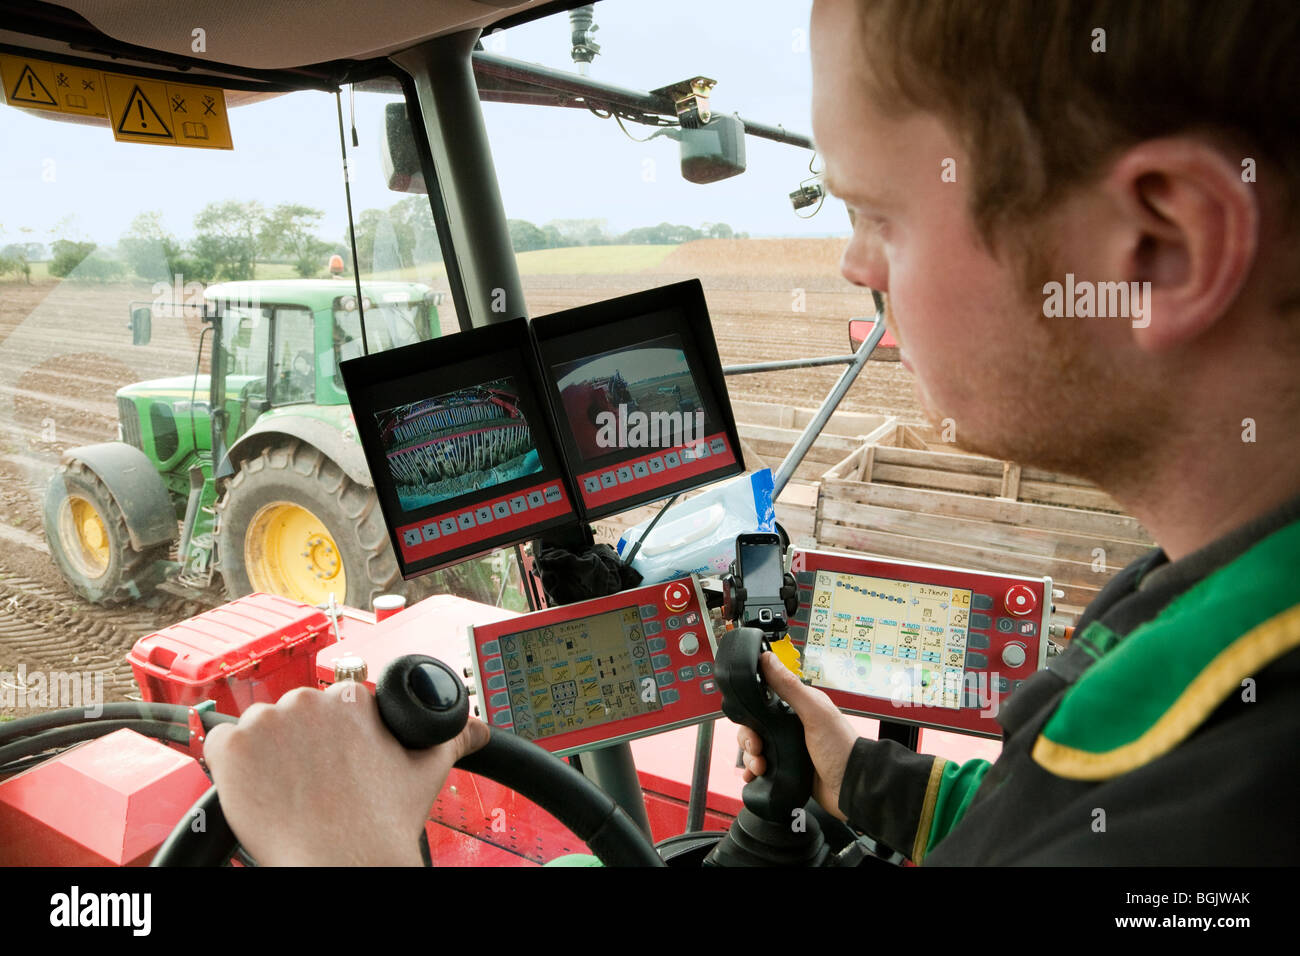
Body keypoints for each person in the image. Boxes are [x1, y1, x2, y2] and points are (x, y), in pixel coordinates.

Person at [205, 0, 1300, 865]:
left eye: (877, 213)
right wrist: (861, 778)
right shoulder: (1195, 615)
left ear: (1158, 248)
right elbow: (1047, 808)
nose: (853, 266)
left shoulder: (1221, 810)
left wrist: (341, 850)